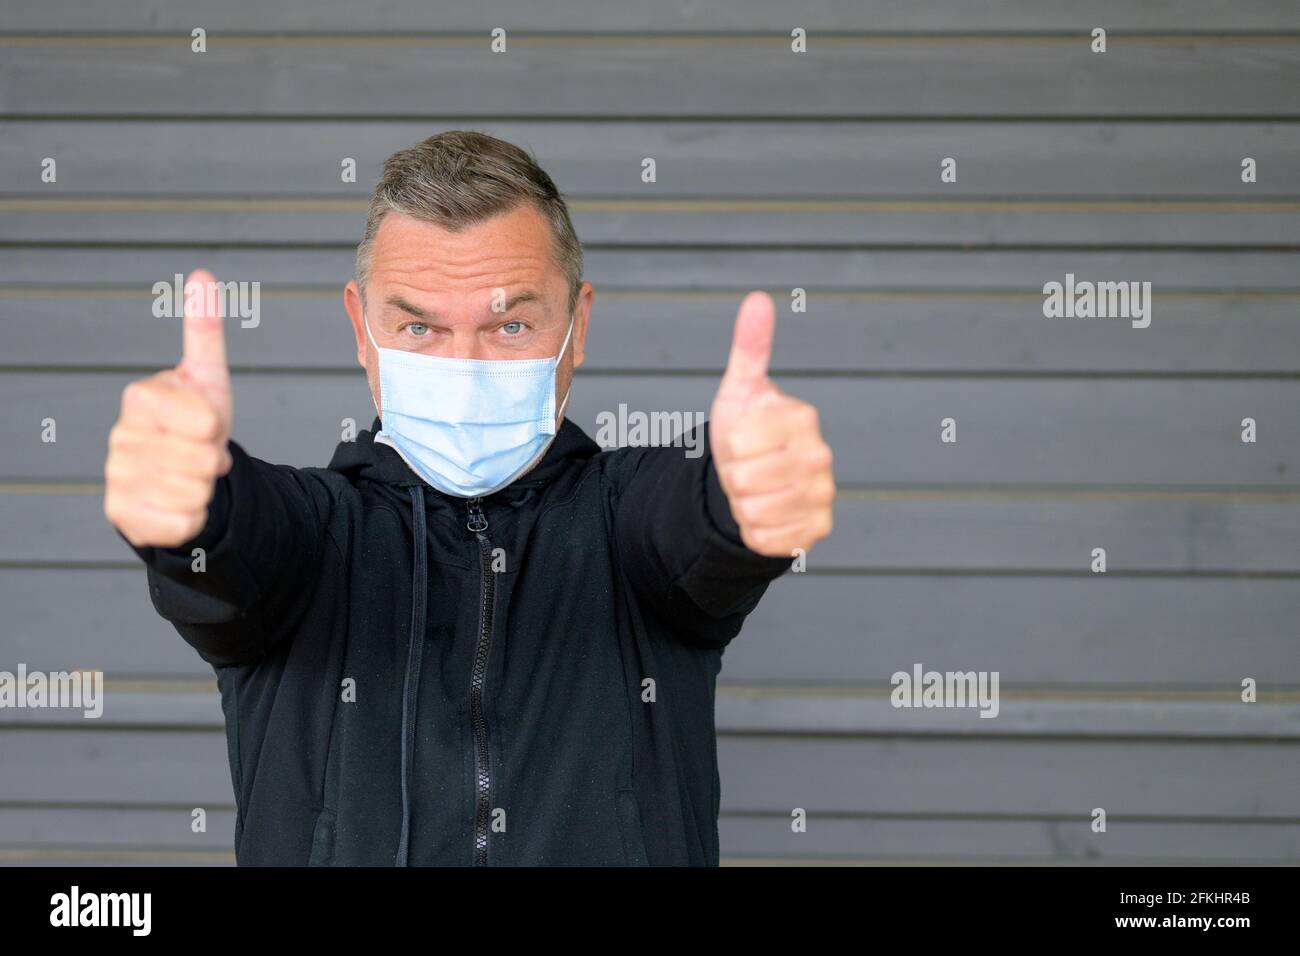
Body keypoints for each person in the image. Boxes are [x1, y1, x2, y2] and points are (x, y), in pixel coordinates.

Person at [103, 131, 835, 865]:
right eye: (418, 326)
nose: (464, 368)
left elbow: (691, 521)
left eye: (510, 324)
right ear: (362, 329)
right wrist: (196, 506)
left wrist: (740, 495)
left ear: (576, 325)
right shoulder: (310, 541)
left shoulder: (628, 520)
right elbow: (237, 544)